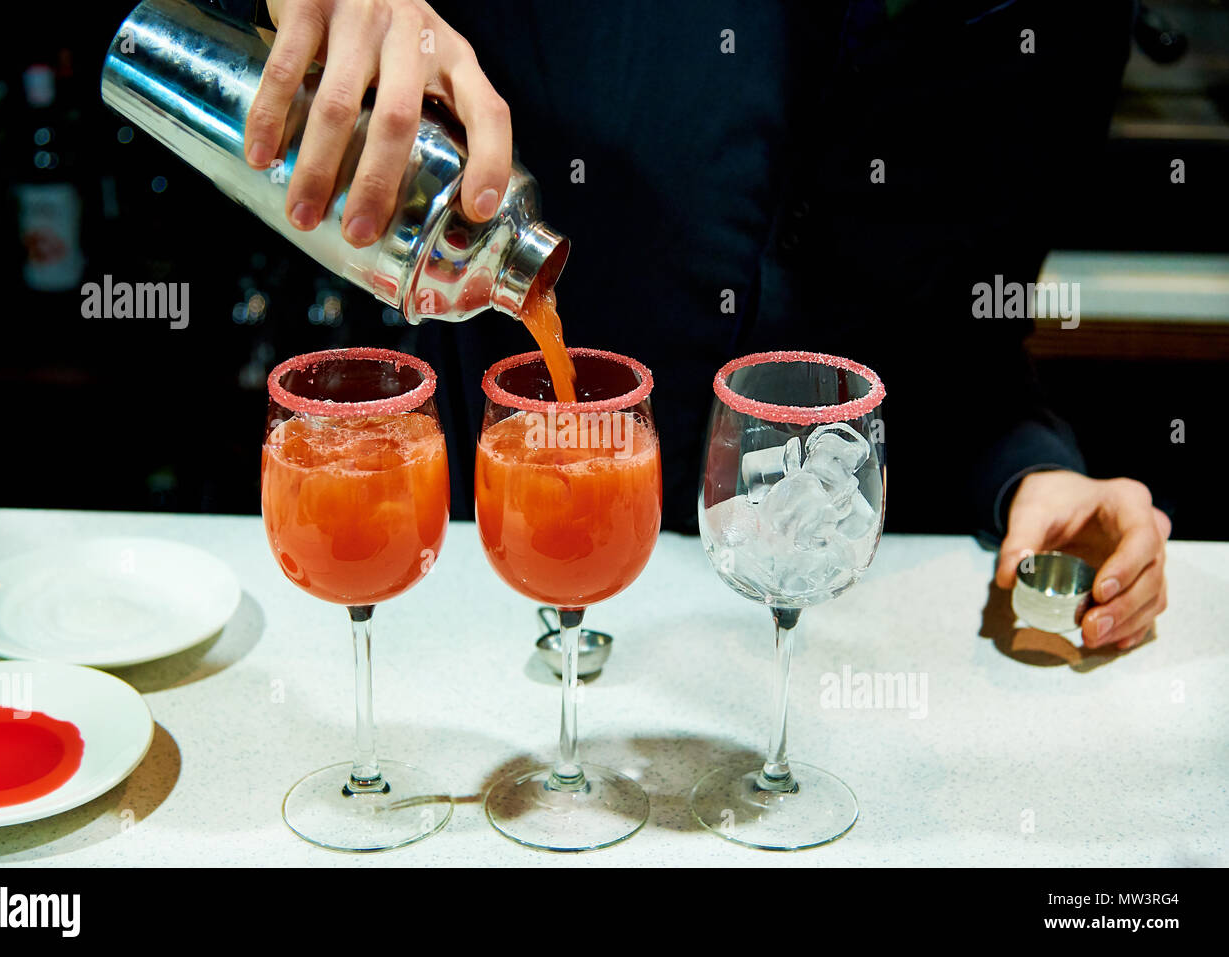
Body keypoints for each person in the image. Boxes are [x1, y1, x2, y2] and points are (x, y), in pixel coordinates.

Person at [216, 0, 1169, 652]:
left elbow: (957, 341)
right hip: (474, 607)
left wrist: (1033, 470)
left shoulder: (1058, 24)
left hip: (834, 641)